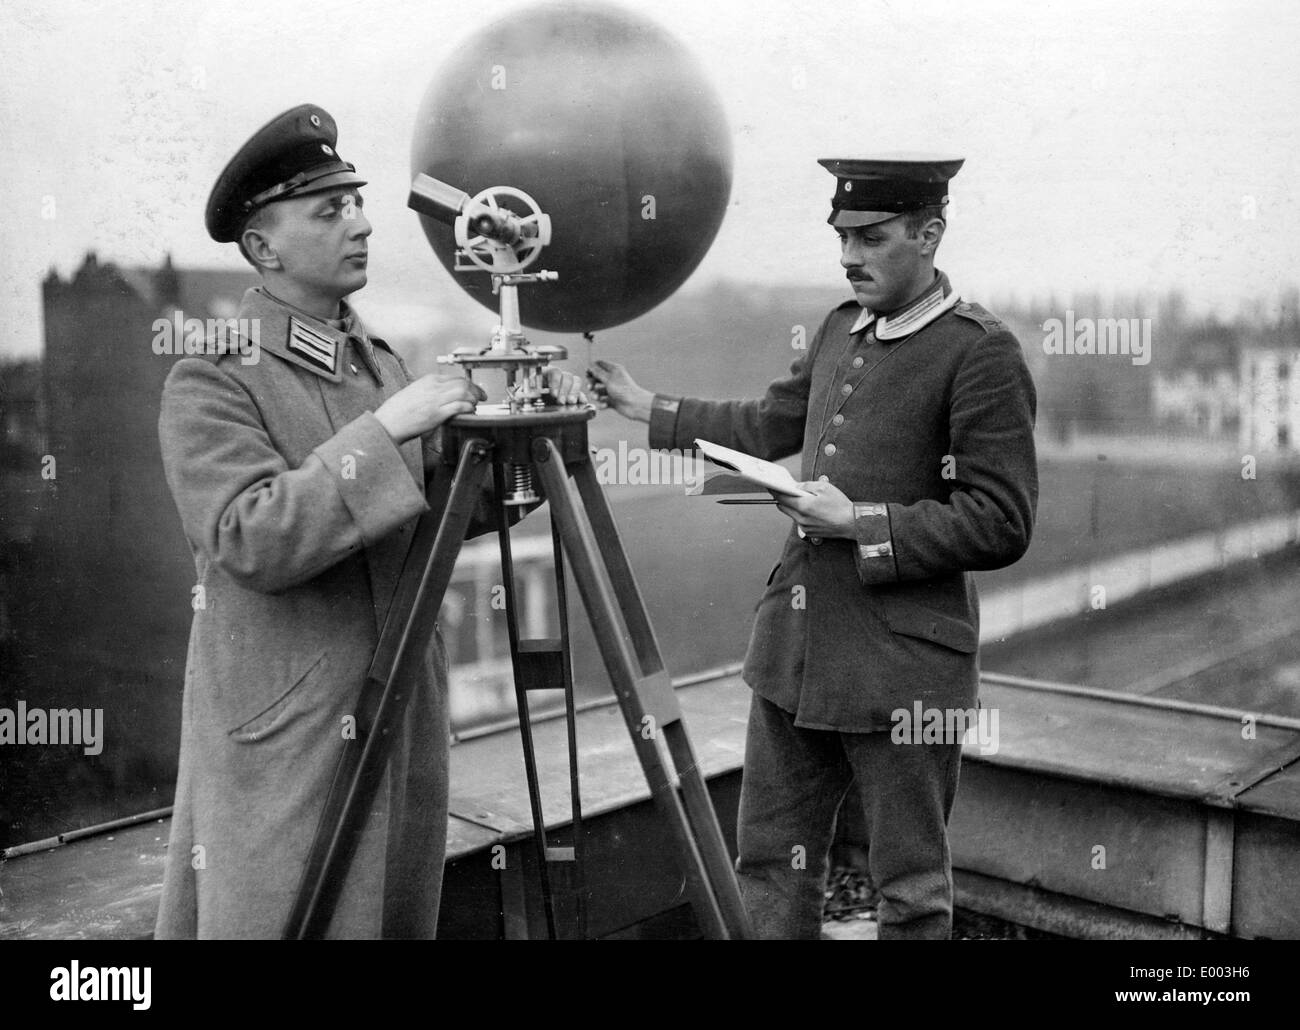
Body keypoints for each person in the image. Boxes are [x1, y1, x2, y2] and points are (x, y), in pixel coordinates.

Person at [154, 104, 584, 939]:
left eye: (355, 203)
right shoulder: (213, 378)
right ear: (262, 248)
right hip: (292, 737)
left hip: (399, 719)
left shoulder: (377, 362)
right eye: (330, 211)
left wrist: (532, 451)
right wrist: (390, 429)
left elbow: (428, 520)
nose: (361, 223)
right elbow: (252, 537)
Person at [588, 154, 1038, 939]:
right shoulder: (840, 327)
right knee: (770, 863)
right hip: (795, 656)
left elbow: (1001, 518)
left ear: (930, 233)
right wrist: (644, 406)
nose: (848, 256)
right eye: (840, 237)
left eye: (870, 237)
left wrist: (862, 523)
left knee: (910, 892)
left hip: (905, 672)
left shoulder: (980, 351)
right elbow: (766, 425)